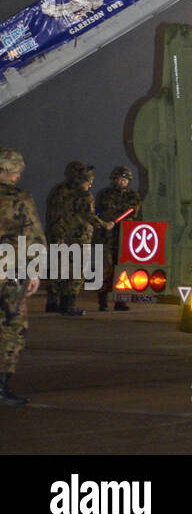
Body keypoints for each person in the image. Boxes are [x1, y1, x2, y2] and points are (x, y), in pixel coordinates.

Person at [0, 147, 44, 406]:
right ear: (14, 172)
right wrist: (34, 272)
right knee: (13, 327)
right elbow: (34, 238)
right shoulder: (20, 198)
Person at [45, 162, 109, 317]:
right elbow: (89, 215)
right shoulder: (84, 195)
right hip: (77, 239)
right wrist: (105, 225)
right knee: (76, 272)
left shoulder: (58, 191)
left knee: (57, 269)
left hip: (57, 237)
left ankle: (53, 302)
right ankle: (68, 304)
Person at [94, 166, 141, 312]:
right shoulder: (104, 194)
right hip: (106, 238)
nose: (122, 182)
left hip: (124, 238)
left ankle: (121, 301)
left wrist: (116, 221)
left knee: (123, 271)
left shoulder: (133, 196)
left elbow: (133, 212)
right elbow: (97, 211)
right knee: (105, 269)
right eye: (120, 179)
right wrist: (102, 223)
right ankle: (103, 301)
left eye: (125, 179)